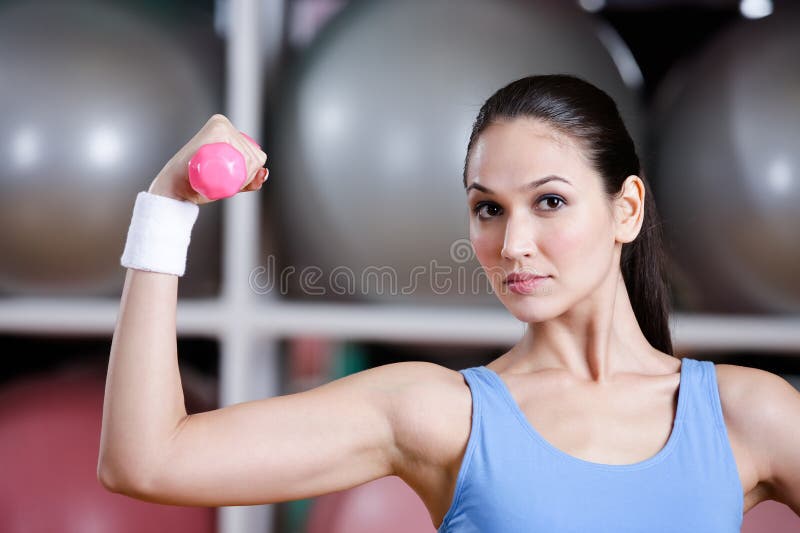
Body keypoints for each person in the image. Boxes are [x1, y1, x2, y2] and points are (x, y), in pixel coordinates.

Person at [98, 74, 799, 531]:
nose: (512, 244)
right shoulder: (440, 414)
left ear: (627, 209)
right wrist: (166, 206)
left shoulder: (747, 414)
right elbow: (145, 460)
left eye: (550, 201)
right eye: (488, 208)